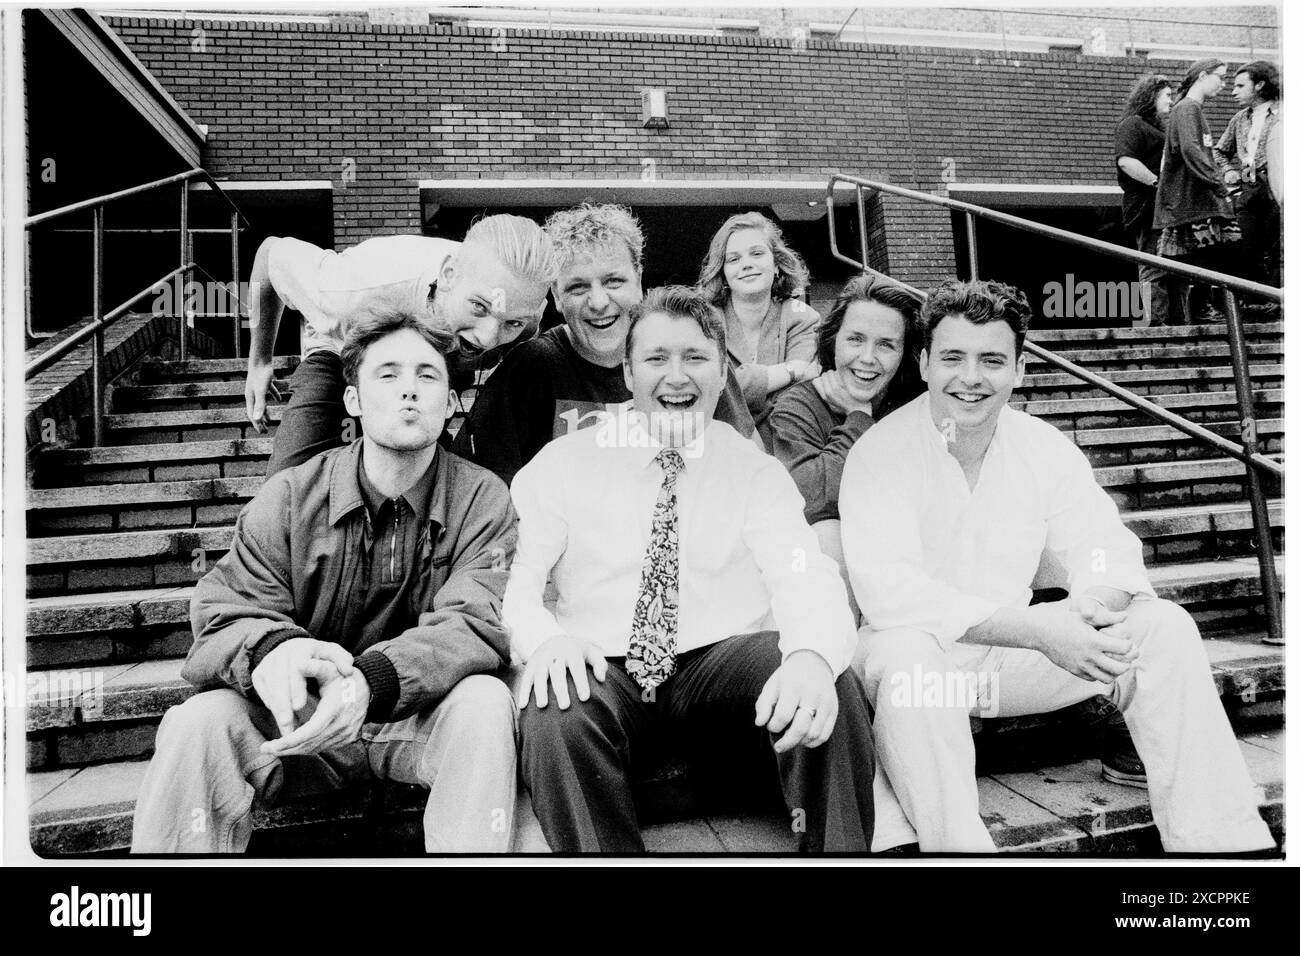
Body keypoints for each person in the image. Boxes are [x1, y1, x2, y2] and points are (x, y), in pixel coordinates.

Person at [841, 278, 1276, 854]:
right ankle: (957, 852)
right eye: (953, 357)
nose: (970, 378)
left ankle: (1218, 843)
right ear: (922, 364)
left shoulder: (1043, 446)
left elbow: (1104, 549)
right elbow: (891, 595)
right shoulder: (882, 452)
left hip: (1011, 659)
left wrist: (1088, 612)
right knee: (908, 655)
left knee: (1163, 628)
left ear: (1019, 370)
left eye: (992, 360)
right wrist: (1041, 629)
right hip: (910, 663)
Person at [132, 312, 521, 854]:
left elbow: (475, 622)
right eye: (387, 375)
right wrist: (274, 651)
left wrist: (370, 682)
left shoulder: (484, 499)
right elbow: (226, 607)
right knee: (197, 722)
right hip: (302, 721)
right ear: (354, 401)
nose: (409, 390)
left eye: (427, 376)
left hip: (414, 717)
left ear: (450, 400)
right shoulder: (292, 495)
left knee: (484, 702)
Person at [505, 285, 874, 853]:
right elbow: (519, 582)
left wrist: (810, 655)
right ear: (627, 373)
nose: (677, 376)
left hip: (718, 663)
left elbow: (802, 570)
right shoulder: (563, 464)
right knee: (553, 703)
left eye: (696, 358)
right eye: (656, 358)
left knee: (826, 679)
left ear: (722, 374)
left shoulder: (751, 469)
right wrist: (545, 640)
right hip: (606, 665)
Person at [453, 203, 756, 486]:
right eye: (578, 287)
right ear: (556, 296)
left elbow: (749, 465)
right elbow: (487, 489)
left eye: (613, 281)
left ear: (638, 280)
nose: (598, 302)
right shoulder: (531, 368)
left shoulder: (690, 354)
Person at [246, 215, 560, 476]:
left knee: (431, 475)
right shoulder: (351, 287)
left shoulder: (522, 316)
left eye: (512, 323)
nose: (488, 338)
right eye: (479, 307)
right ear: (449, 275)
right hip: (341, 351)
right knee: (289, 486)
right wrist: (259, 361)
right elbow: (269, 254)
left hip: (441, 361)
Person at [768, 273, 924, 620]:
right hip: (834, 569)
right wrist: (858, 419)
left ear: (904, 353)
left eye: (886, 344)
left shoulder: (915, 407)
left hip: (907, 555)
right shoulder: (798, 404)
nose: (867, 358)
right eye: (855, 339)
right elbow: (810, 498)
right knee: (827, 533)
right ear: (833, 340)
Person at [697, 211, 821, 448]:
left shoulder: (803, 318)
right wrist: (790, 371)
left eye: (756, 253)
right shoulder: (704, 321)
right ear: (723, 273)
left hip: (784, 448)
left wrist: (737, 386)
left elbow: (797, 399)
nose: (746, 265)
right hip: (718, 449)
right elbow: (707, 388)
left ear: (776, 264)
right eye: (734, 259)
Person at [1152, 59, 1240, 323]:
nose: (1223, 85)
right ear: (1203, 76)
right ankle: (1200, 308)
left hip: (1197, 200)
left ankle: (1200, 308)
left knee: (1202, 255)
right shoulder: (1187, 109)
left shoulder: (1189, 109)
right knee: (1207, 253)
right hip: (1194, 201)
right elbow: (1191, 150)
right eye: (1220, 77)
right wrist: (1218, 184)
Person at [1114, 73, 1180, 325]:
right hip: (1148, 207)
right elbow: (1126, 161)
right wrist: (1157, 183)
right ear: (1151, 96)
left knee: (1172, 265)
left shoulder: (1155, 127)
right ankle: (1155, 323)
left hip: (1166, 208)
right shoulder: (1132, 124)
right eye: (1167, 95)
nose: (1171, 102)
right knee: (1153, 264)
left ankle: (1174, 321)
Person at [1216, 60, 1282, 290]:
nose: (1233, 92)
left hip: (1277, 186)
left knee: (1279, 250)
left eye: (1241, 86)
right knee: (1246, 246)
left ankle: (1275, 304)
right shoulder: (1239, 119)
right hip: (1248, 184)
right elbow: (1220, 151)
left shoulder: (1285, 114)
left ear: (1260, 85)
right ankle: (1252, 303)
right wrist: (1229, 170)